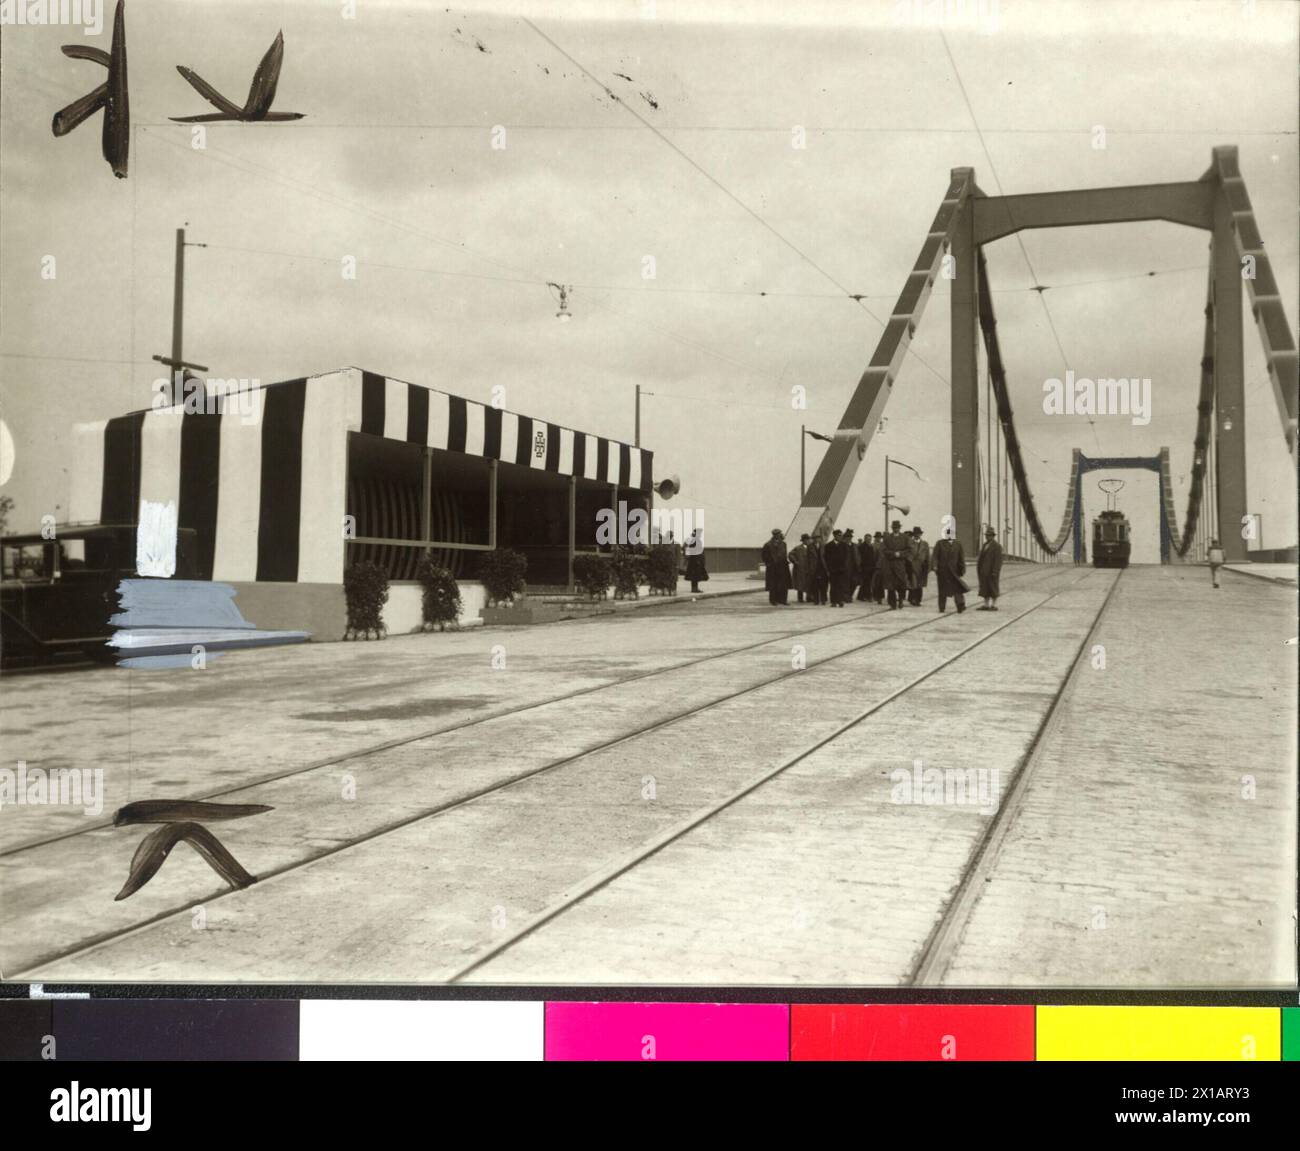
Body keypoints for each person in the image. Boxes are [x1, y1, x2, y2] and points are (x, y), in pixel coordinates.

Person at [931, 531, 968, 614]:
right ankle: (942, 607)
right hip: (943, 571)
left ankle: (960, 606)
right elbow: (935, 556)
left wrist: (962, 569)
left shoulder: (958, 544)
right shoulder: (940, 544)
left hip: (955, 571)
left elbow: (961, 558)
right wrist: (935, 566)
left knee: (957, 589)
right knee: (942, 591)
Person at [880, 521, 911, 609]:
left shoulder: (905, 538)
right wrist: (893, 554)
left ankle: (900, 600)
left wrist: (900, 554)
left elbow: (909, 550)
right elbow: (884, 549)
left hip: (900, 564)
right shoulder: (887, 538)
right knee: (890, 585)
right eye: (894, 527)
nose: (895, 529)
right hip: (889, 564)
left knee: (901, 583)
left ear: (899, 528)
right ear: (892, 528)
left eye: (897, 527)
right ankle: (892, 603)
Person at [761, 528, 791, 606]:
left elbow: (784, 554)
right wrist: (769, 564)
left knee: (783, 584)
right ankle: (773, 600)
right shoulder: (768, 544)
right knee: (773, 584)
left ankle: (783, 600)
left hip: (783, 567)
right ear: (774, 535)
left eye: (780, 533)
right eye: (777, 534)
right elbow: (764, 556)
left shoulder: (784, 544)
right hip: (773, 568)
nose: (779, 535)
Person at [977, 526, 1004, 610]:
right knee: (985, 588)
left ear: (993, 536)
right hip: (984, 571)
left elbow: (998, 560)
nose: (987, 536)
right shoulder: (985, 545)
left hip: (992, 572)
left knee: (993, 588)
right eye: (986, 535)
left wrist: (995, 571)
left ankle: (994, 605)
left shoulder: (997, 546)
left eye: (989, 535)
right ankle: (986, 605)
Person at [823, 528, 849, 607]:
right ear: (834, 536)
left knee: (841, 585)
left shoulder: (844, 545)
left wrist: (845, 567)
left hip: (841, 569)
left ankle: (840, 600)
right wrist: (829, 568)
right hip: (833, 569)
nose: (840, 537)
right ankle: (833, 601)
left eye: (841, 535)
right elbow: (826, 558)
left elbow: (846, 557)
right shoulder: (828, 545)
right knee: (833, 585)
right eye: (839, 535)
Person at [908, 526, 931, 607]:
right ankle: (913, 599)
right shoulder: (909, 543)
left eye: (918, 534)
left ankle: (918, 600)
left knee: (920, 584)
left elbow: (928, 556)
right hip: (912, 566)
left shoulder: (925, 544)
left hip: (922, 567)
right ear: (913, 535)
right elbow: (907, 554)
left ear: (920, 534)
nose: (917, 535)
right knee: (914, 583)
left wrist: (928, 567)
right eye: (915, 534)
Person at [789, 533, 812, 602]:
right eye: (806, 540)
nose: (808, 541)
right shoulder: (798, 548)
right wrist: (795, 561)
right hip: (800, 568)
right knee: (800, 583)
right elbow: (790, 554)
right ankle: (800, 598)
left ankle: (809, 597)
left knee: (809, 583)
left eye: (808, 540)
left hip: (809, 568)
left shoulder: (811, 548)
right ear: (803, 540)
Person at [684, 529, 708, 593]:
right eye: (699, 534)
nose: (700, 535)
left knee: (695, 575)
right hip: (696, 561)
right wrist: (698, 560)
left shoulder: (694, 540)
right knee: (695, 575)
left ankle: (694, 588)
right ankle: (694, 588)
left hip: (695, 561)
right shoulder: (695, 540)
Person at [809, 531, 830, 605]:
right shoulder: (810, 546)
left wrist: (827, 567)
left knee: (823, 584)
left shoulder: (824, 546)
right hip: (814, 568)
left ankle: (823, 599)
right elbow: (807, 558)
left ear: (820, 539)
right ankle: (816, 600)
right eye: (815, 538)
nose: (816, 540)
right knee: (815, 585)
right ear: (813, 539)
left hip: (822, 567)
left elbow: (827, 556)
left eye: (818, 538)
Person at [856, 532, 876, 601]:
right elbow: (860, 557)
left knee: (867, 582)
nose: (869, 540)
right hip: (865, 567)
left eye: (870, 539)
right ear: (865, 539)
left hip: (871, 567)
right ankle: (867, 596)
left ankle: (861, 596)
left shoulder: (871, 546)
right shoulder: (862, 547)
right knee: (866, 582)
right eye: (867, 539)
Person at [843, 528, 860, 601]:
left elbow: (858, 555)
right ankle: (846, 596)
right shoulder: (842, 545)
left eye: (850, 537)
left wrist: (859, 563)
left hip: (854, 567)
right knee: (846, 582)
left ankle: (850, 595)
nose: (848, 539)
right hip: (845, 567)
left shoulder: (855, 545)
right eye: (847, 537)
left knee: (854, 582)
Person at [870, 532, 886, 602]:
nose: (878, 538)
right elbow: (873, 556)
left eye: (879, 537)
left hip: (882, 566)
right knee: (875, 582)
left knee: (881, 582)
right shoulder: (872, 545)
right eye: (877, 537)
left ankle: (880, 596)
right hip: (875, 565)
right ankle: (875, 595)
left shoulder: (883, 545)